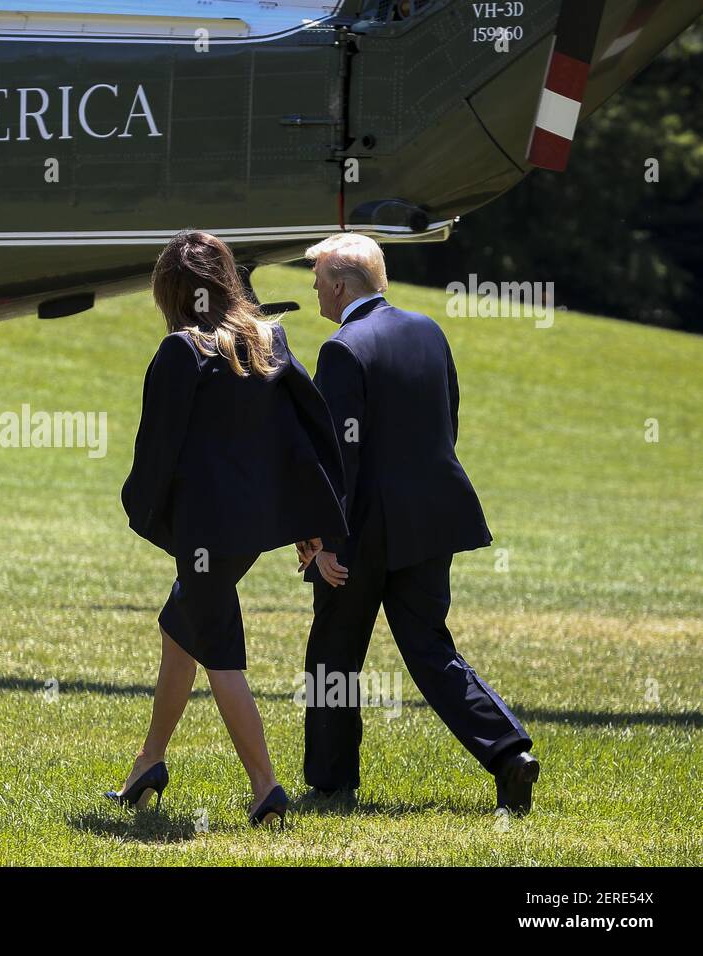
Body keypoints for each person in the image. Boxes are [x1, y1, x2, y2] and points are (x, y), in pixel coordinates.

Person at [297, 232, 540, 814]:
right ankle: (509, 753)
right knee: (431, 649)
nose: (312, 290)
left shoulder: (341, 349)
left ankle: (331, 784)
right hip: (432, 521)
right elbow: (446, 422)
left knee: (334, 654)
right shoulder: (428, 330)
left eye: (316, 280)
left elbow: (339, 457)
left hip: (363, 533)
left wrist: (326, 543)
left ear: (338, 284)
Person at [113, 230, 347, 828]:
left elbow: (156, 452)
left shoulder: (182, 351)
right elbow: (302, 431)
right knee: (179, 632)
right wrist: (307, 518)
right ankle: (148, 763)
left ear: (171, 291)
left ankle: (266, 788)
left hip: (204, 536)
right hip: (249, 528)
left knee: (220, 655)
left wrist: (142, 509)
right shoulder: (268, 338)